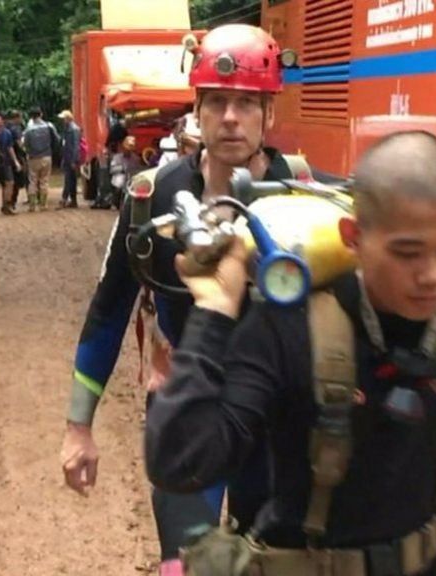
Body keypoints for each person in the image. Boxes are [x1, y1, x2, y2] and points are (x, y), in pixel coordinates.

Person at [144, 131, 436, 574]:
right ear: (354, 238)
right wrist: (215, 311)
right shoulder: (288, 331)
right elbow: (180, 462)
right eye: (408, 253)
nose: (432, 275)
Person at [60, 24, 323, 576]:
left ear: (268, 115)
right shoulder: (149, 198)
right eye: (218, 102)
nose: (231, 117)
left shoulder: (302, 198)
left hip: (275, 423)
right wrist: (78, 427)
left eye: (247, 103)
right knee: (187, 566)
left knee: (276, 565)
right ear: (197, 112)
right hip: (191, 414)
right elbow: (109, 311)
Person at [22, 106, 61, 211]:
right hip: (47, 156)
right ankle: (43, 205)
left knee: (32, 181)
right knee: (44, 180)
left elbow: (25, 144)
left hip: (33, 158)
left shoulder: (28, 130)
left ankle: (32, 205)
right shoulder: (49, 126)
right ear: (41, 114)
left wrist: (29, 152)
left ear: (30, 117)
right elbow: (57, 140)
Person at [0, 113, 21, 215]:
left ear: (3, 121)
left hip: (5, 161)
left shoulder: (7, 133)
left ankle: (6, 206)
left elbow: (10, 148)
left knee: (9, 182)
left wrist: (16, 161)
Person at [58, 109, 81, 208]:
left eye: (64, 119)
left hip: (71, 158)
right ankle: (72, 200)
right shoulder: (67, 129)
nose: (63, 121)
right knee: (71, 179)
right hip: (67, 157)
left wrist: (73, 160)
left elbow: (75, 146)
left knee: (69, 179)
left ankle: (65, 198)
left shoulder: (74, 130)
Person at [6, 110, 27, 206]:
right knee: (17, 180)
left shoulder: (5, 126)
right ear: (17, 118)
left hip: (5, 156)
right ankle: (12, 201)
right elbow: (20, 144)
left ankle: (6, 202)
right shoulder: (16, 129)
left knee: (7, 181)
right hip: (16, 156)